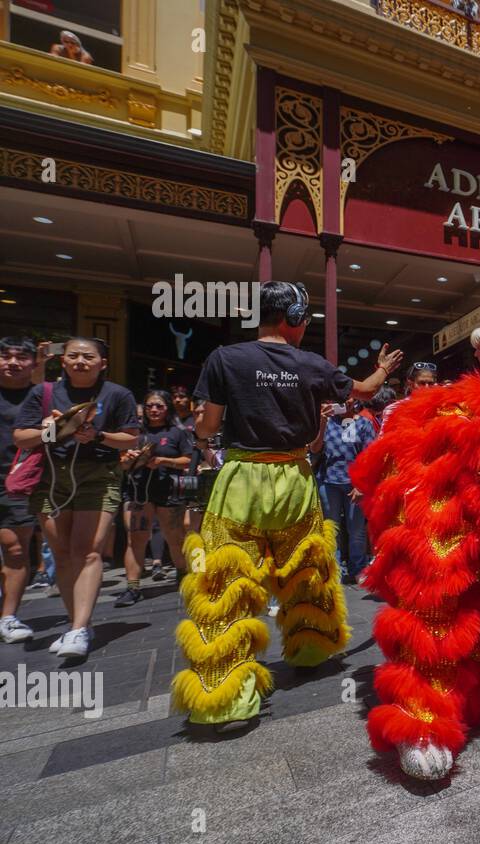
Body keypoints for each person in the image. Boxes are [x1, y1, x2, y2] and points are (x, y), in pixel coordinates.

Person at [172, 281, 402, 730]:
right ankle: (311, 647)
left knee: (228, 582)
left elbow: (209, 424)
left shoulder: (225, 358)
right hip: (296, 479)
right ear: (292, 318)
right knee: (306, 570)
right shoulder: (311, 363)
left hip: (242, 480)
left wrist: (203, 439)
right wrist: (383, 369)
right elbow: (364, 390)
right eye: (305, 320)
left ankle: (224, 696)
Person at [12, 338, 139, 659]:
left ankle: (80, 628)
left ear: (102, 363)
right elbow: (21, 437)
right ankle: (76, 623)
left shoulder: (117, 394)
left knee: (88, 551)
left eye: (88, 356)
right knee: (63, 553)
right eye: (73, 356)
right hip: (52, 477)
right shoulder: (43, 393)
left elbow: (130, 438)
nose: (80, 361)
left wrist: (96, 434)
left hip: (98, 476)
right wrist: (53, 430)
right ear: (63, 361)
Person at [114, 390, 192, 607]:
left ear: (167, 408)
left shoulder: (177, 432)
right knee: (135, 539)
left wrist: (163, 461)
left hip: (168, 491)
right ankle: (132, 587)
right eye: (149, 406)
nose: (154, 410)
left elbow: (187, 460)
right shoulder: (134, 434)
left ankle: (183, 575)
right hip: (138, 491)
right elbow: (120, 464)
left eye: (159, 406)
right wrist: (129, 460)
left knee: (175, 538)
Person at [0, 337, 48, 643]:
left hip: (18, 480)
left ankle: (8, 617)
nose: (13, 362)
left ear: (33, 363)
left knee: (16, 548)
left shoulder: (41, 397)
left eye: (21, 357)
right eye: (5, 356)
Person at [310, 398, 377, 585]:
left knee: (356, 529)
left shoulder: (363, 424)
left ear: (354, 399)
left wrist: (362, 485)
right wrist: (322, 421)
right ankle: (335, 568)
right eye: (337, 399)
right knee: (332, 529)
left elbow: (370, 457)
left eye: (346, 397)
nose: (343, 402)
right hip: (328, 481)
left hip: (354, 484)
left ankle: (358, 567)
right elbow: (314, 448)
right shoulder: (326, 422)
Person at [381, 362, 437, 431]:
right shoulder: (393, 409)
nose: (427, 387)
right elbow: (385, 439)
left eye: (431, 383)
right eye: (422, 383)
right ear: (410, 384)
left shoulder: (442, 408)